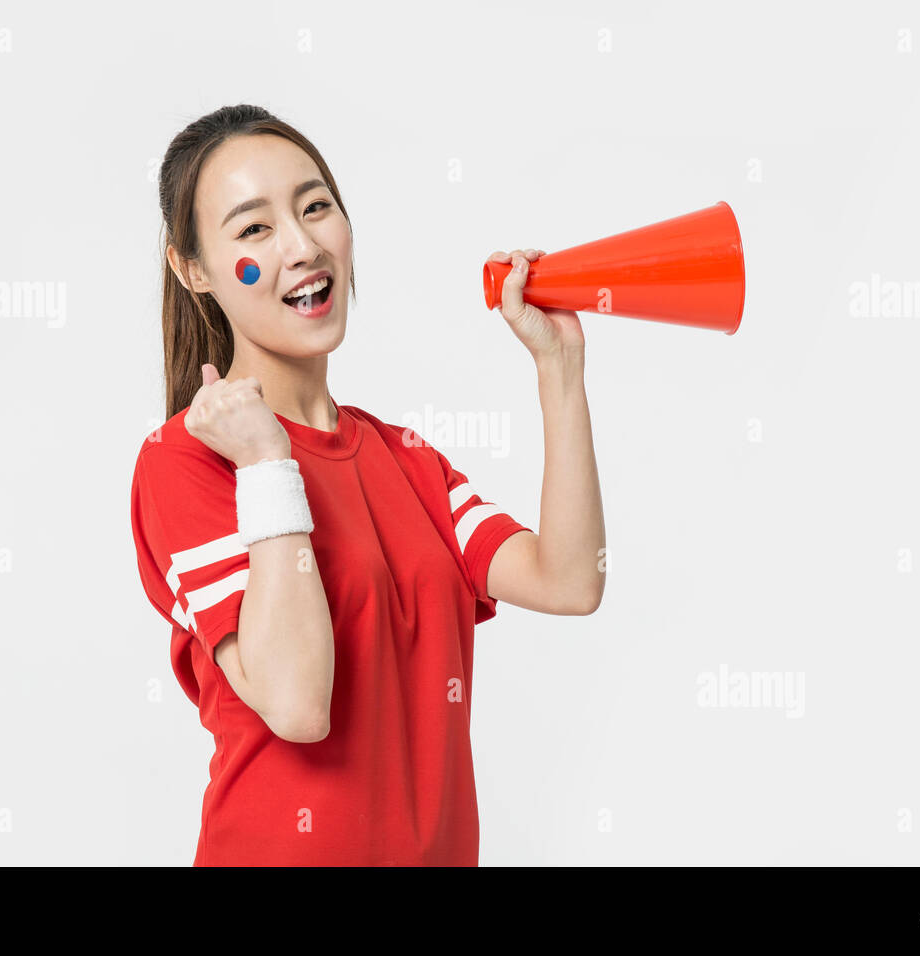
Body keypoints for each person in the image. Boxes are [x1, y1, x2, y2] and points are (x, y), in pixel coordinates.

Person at [129, 104, 606, 865]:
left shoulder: (406, 458)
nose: (303, 245)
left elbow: (572, 580)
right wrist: (267, 462)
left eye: (315, 207)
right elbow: (297, 702)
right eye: (254, 229)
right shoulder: (186, 460)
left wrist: (560, 370)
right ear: (195, 271)